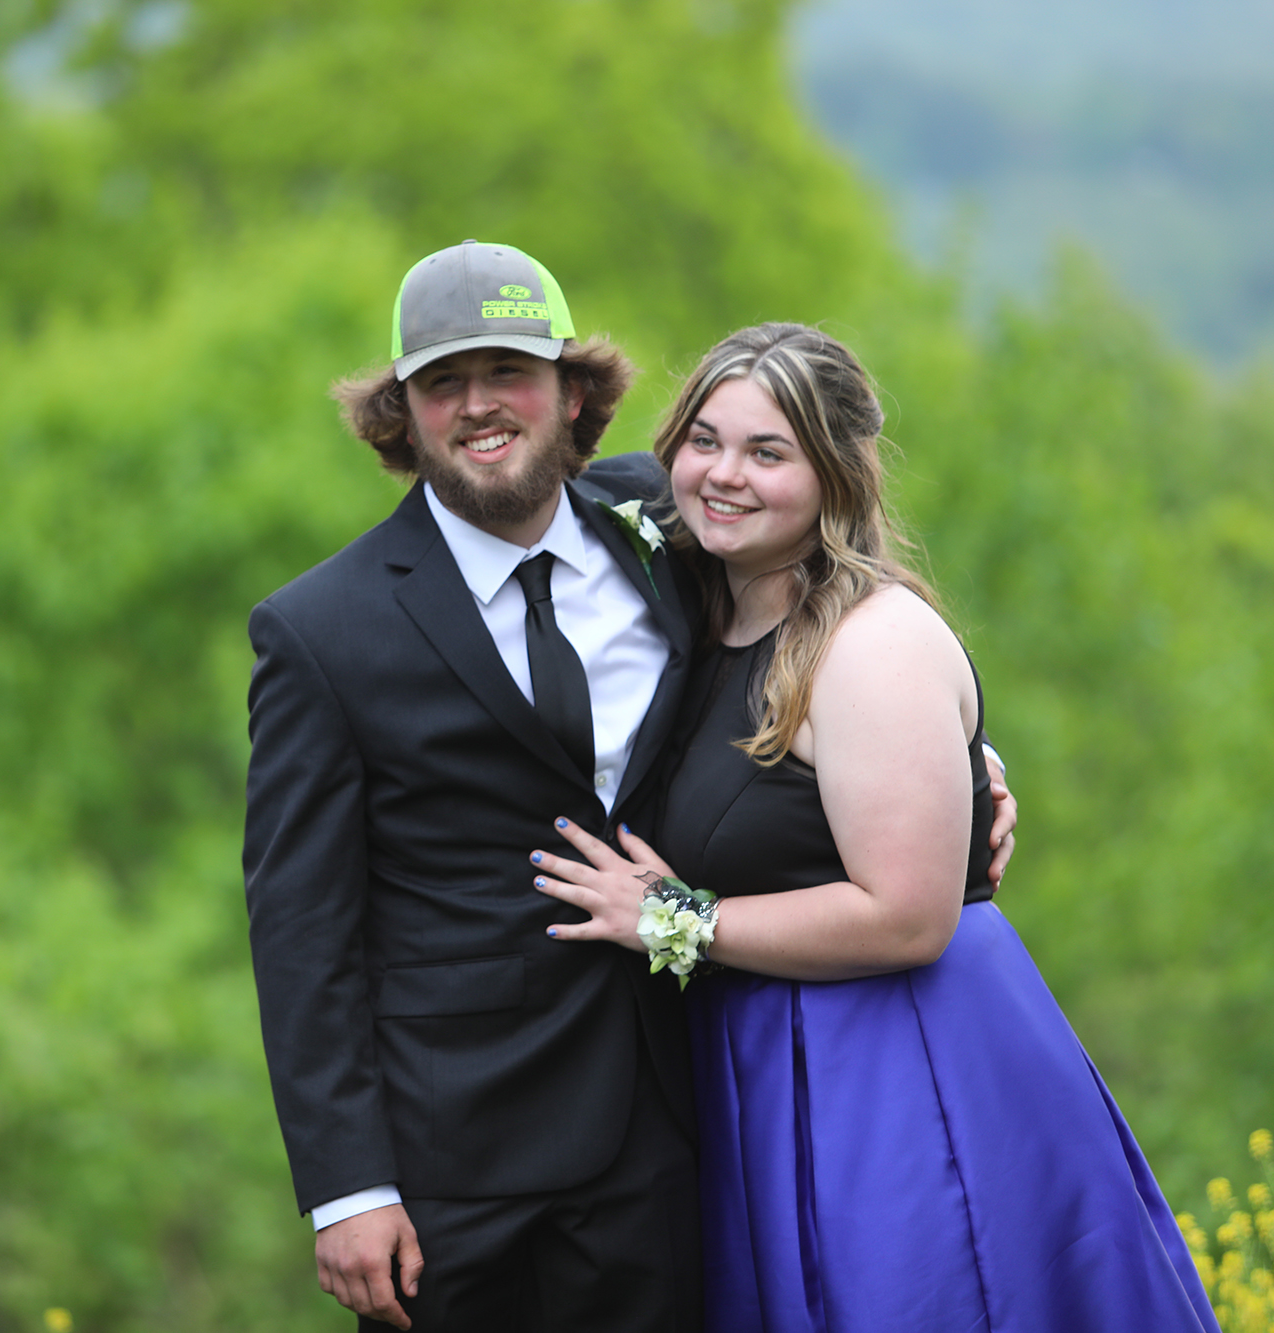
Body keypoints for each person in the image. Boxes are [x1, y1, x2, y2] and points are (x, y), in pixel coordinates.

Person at [243, 244, 1017, 1330]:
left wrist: (960, 772)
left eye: (507, 371)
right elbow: (299, 932)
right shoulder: (320, 632)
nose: (477, 406)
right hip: (452, 1162)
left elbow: (825, 639)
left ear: (572, 392)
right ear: (399, 413)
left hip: (680, 1120)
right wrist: (347, 1187)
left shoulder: (670, 524)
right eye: (441, 383)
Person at [530, 323, 1217, 1332]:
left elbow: (905, 917)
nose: (723, 474)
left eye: (769, 453)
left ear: (835, 476)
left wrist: (672, 918)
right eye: (703, 439)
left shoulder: (869, 642)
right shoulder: (685, 580)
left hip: (897, 1060)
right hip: (762, 1053)